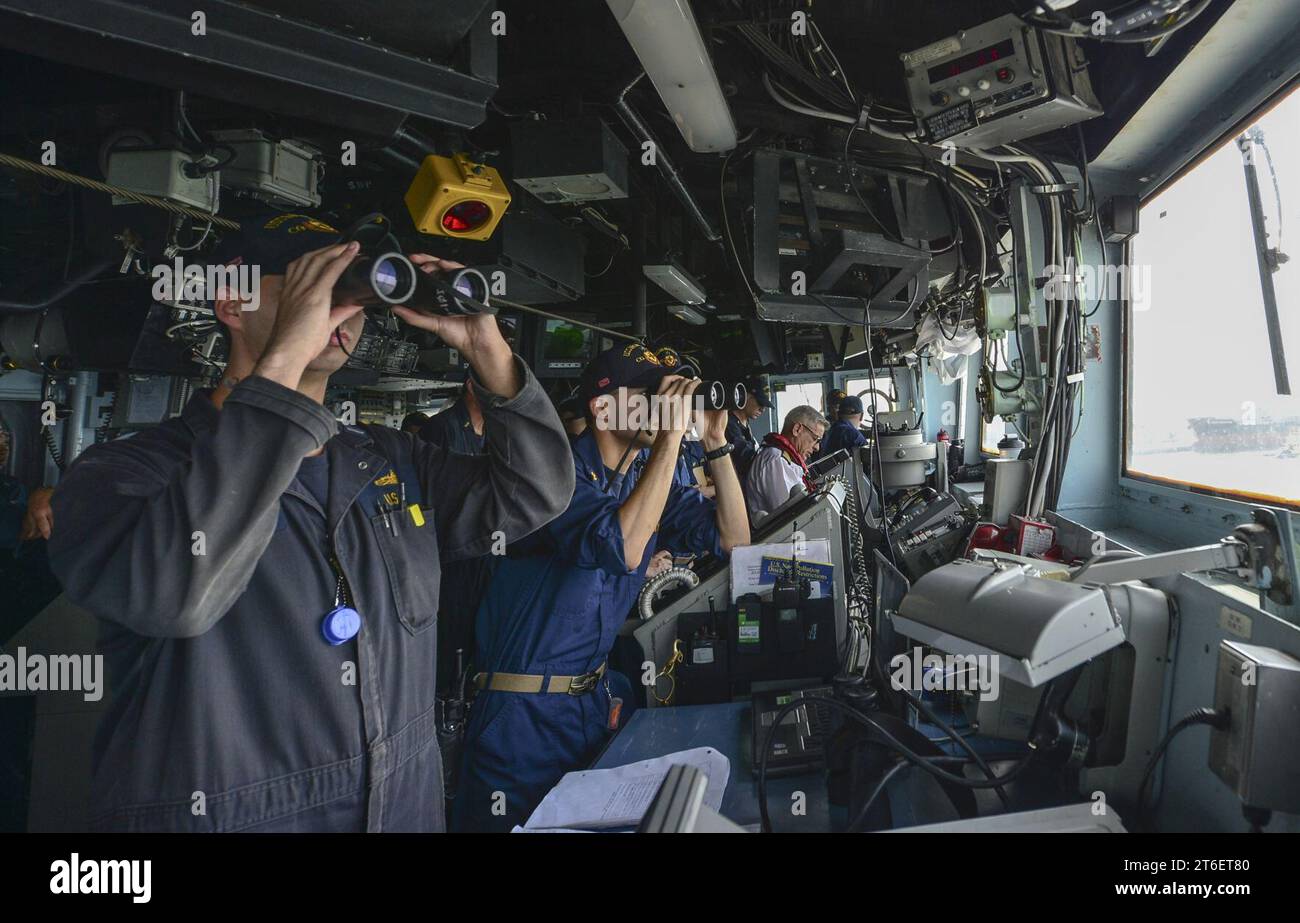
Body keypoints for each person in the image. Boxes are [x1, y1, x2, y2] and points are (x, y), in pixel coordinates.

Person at [46, 213, 574, 832]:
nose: (340, 310)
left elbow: (535, 493)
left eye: (351, 292)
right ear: (232, 304)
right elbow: (174, 597)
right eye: (312, 286)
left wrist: (488, 349)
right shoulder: (124, 476)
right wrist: (286, 361)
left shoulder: (390, 460)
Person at [452, 344, 750, 832]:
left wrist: (715, 441)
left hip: (588, 701)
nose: (665, 407)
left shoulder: (640, 484)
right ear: (601, 406)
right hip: (522, 718)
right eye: (651, 395)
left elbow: (735, 541)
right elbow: (624, 546)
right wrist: (673, 436)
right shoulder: (554, 477)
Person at [746, 405, 827, 521]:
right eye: (815, 439)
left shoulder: (786, 460)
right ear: (797, 429)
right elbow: (789, 515)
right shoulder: (775, 459)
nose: (817, 447)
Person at [421, 378, 485, 454]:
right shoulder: (441, 427)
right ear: (471, 387)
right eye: (496, 385)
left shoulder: (495, 431)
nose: (502, 392)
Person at [725, 380, 771, 481]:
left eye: (764, 406)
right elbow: (745, 457)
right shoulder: (729, 423)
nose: (762, 410)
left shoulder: (745, 423)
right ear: (746, 396)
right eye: (760, 403)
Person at [812, 394, 867, 463]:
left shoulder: (827, 431)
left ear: (838, 414)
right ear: (862, 416)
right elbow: (869, 461)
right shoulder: (854, 436)